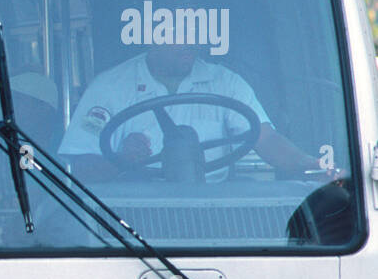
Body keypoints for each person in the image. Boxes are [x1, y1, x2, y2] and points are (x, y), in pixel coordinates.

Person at [59, 42, 324, 182]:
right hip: (130, 219)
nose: (189, 41)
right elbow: (76, 171)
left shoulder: (226, 83)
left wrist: (314, 167)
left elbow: (266, 140)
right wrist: (120, 160)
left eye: (194, 29)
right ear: (152, 35)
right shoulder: (110, 86)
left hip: (214, 214)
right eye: (177, 31)